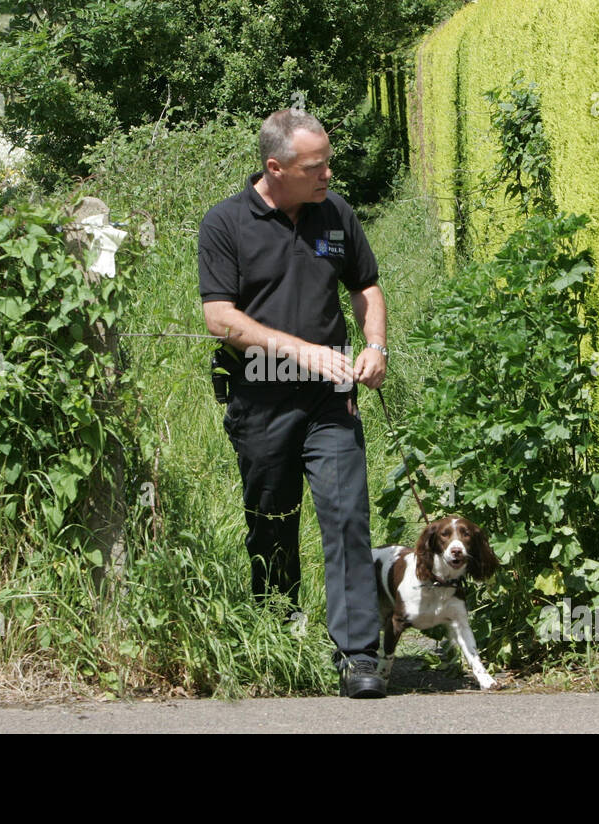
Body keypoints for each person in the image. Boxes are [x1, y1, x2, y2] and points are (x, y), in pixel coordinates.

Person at [198, 108, 391, 698]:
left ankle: (358, 655)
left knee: (346, 518)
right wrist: (304, 352)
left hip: (333, 399)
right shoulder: (226, 224)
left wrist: (375, 345)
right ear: (275, 168)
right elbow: (219, 318)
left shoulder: (336, 213)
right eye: (316, 166)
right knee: (272, 520)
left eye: (327, 160)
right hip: (259, 398)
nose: (328, 172)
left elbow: (365, 286)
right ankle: (278, 629)